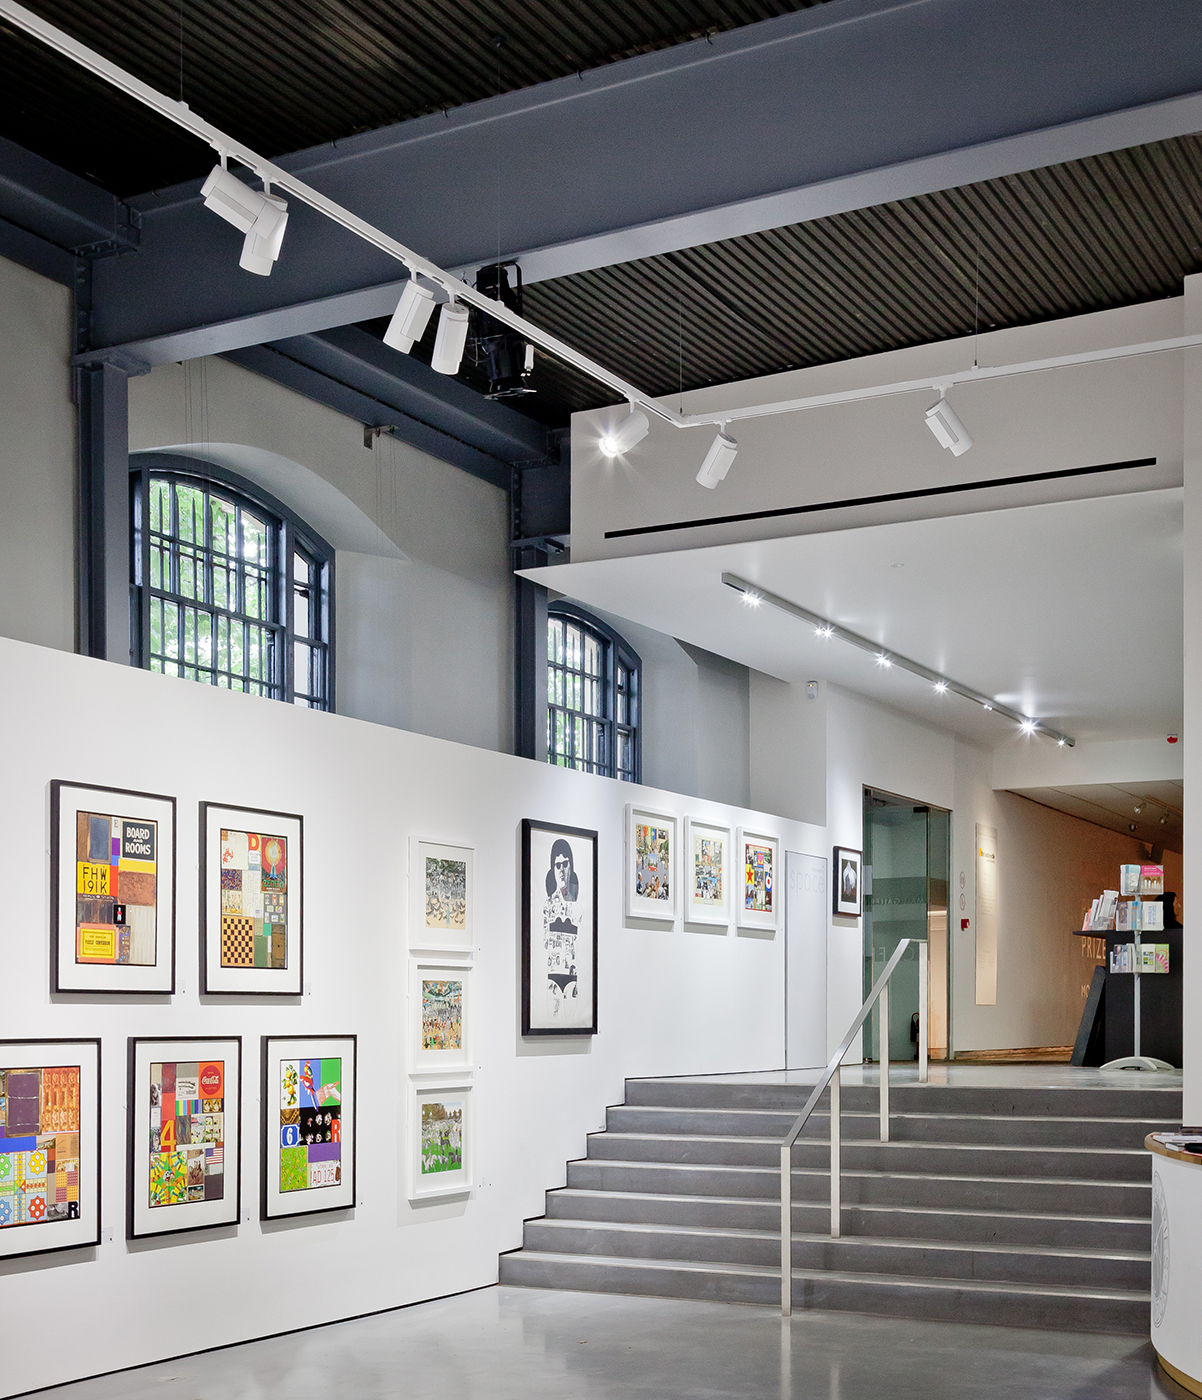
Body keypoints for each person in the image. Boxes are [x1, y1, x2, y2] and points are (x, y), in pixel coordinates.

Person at [544, 839, 582, 1013]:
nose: (561, 870)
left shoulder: (578, 909)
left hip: (572, 975)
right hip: (552, 974)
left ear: (570, 866)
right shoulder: (547, 906)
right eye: (557, 865)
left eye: (565, 864)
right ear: (552, 869)